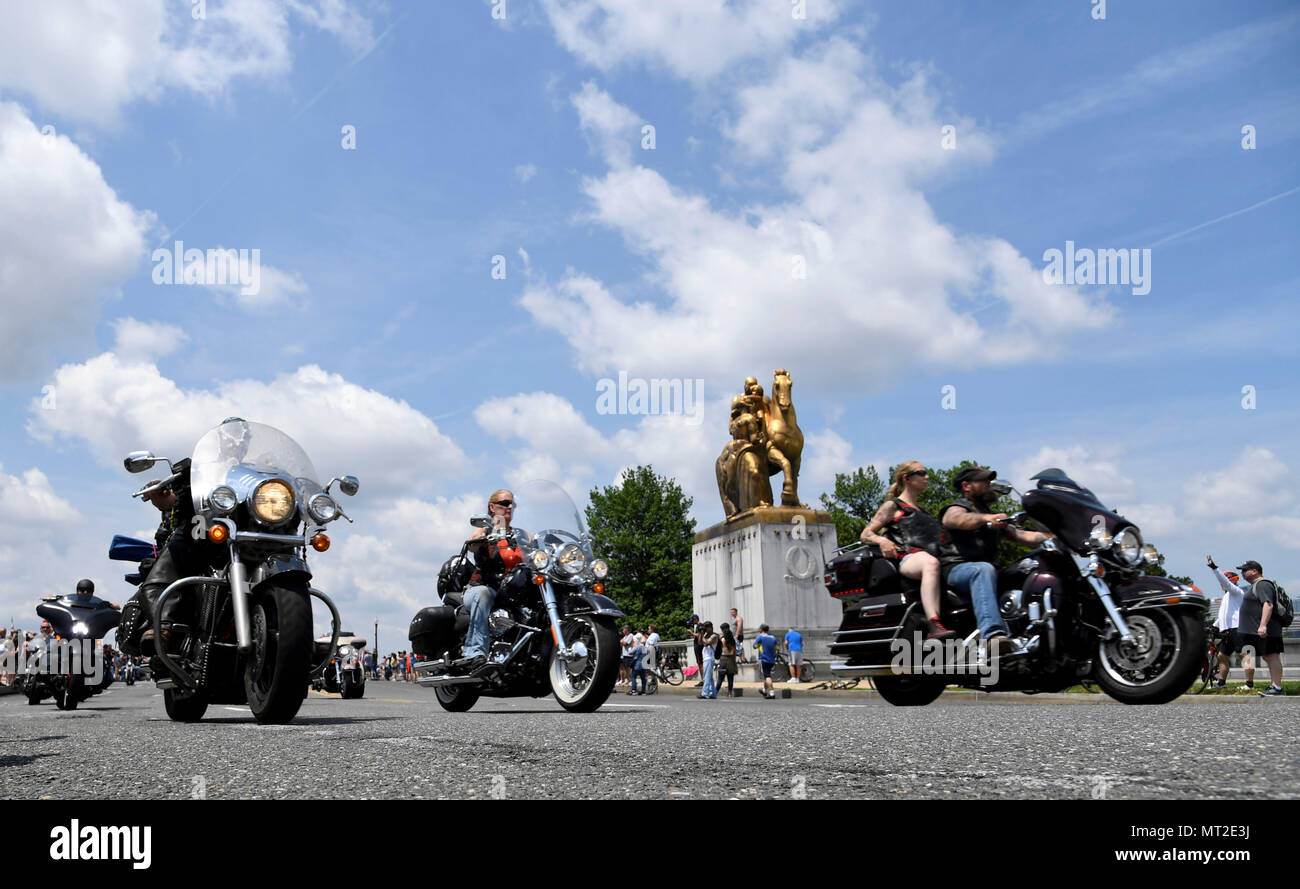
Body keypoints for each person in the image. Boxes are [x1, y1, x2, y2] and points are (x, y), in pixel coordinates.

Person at [938, 466, 1051, 656]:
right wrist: (987, 518)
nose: (989, 485)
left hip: (989, 570)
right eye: (983, 481)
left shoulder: (989, 515)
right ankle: (992, 636)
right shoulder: (956, 508)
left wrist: (1054, 536)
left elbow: (1022, 535)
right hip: (957, 569)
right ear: (966, 486)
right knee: (983, 569)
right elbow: (954, 519)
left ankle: (1029, 633)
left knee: (1029, 568)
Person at [860, 461, 955, 640]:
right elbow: (865, 533)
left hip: (930, 558)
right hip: (909, 558)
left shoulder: (925, 512)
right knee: (930, 563)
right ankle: (933, 623)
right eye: (922, 473)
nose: (927, 477)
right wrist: (882, 540)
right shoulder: (894, 506)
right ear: (907, 478)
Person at [456, 489, 527, 673]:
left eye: (512, 503)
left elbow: (537, 545)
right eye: (504, 503)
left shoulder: (520, 535)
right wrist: (481, 538)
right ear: (492, 507)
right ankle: (474, 653)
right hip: (480, 588)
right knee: (483, 594)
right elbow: (472, 543)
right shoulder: (486, 529)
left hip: (510, 593)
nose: (509, 506)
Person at [1234, 560, 1285, 696]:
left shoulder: (1263, 584)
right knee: (1247, 654)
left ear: (1254, 571)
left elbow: (1268, 605)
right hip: (1251, 631)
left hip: (1266, 630)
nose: (1242, 573)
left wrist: (1263, 625)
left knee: (1270, 656)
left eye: (1245, 570)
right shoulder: (1255, 586)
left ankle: (1277, 687)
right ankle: (1249, 682)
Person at [1207, 554, 1246, 688]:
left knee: (1244, 655)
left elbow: (1226, 583)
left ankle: (1250, 684)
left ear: (1233, 581)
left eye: (1224, 581)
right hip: (1226, 630)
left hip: (1237, 628)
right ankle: (1222, 683)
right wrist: (1214, 626)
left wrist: (1214, 568)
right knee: (1222, 656)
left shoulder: (1237, 591)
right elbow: (1222, 616)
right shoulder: (1226, 597)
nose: (1221, 584)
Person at [754, 624, 778, 699]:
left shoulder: (760, 636)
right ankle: (764, 690)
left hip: (764, 659)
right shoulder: (773, 637)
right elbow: (777, 648)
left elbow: (754, 646)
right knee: (766, 675)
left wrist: (760, 645)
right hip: (772, 659)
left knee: (767, 676)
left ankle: (772, 693)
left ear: (761, 629)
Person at [697, 622, 719, 699]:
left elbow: (706, 643)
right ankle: (713, 693)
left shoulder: (714, 636)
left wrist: (702, 635)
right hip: (706, 658)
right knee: (709, 677)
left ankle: (705, 693)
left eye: (706, 628)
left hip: (709, 658)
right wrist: (700, 634)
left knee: (706, 677)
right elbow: (700, 643)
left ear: (710, 627)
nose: (705, 629)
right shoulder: (705, 635)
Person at [718, 624, 738, 698]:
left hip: (723, 659)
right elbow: (735, 652)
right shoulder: (733, 641)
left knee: (720, 677)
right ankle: (730, 693)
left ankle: (716, 691)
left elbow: (719, 650)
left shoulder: (722, 640)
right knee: (730, 678)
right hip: (731, 659)